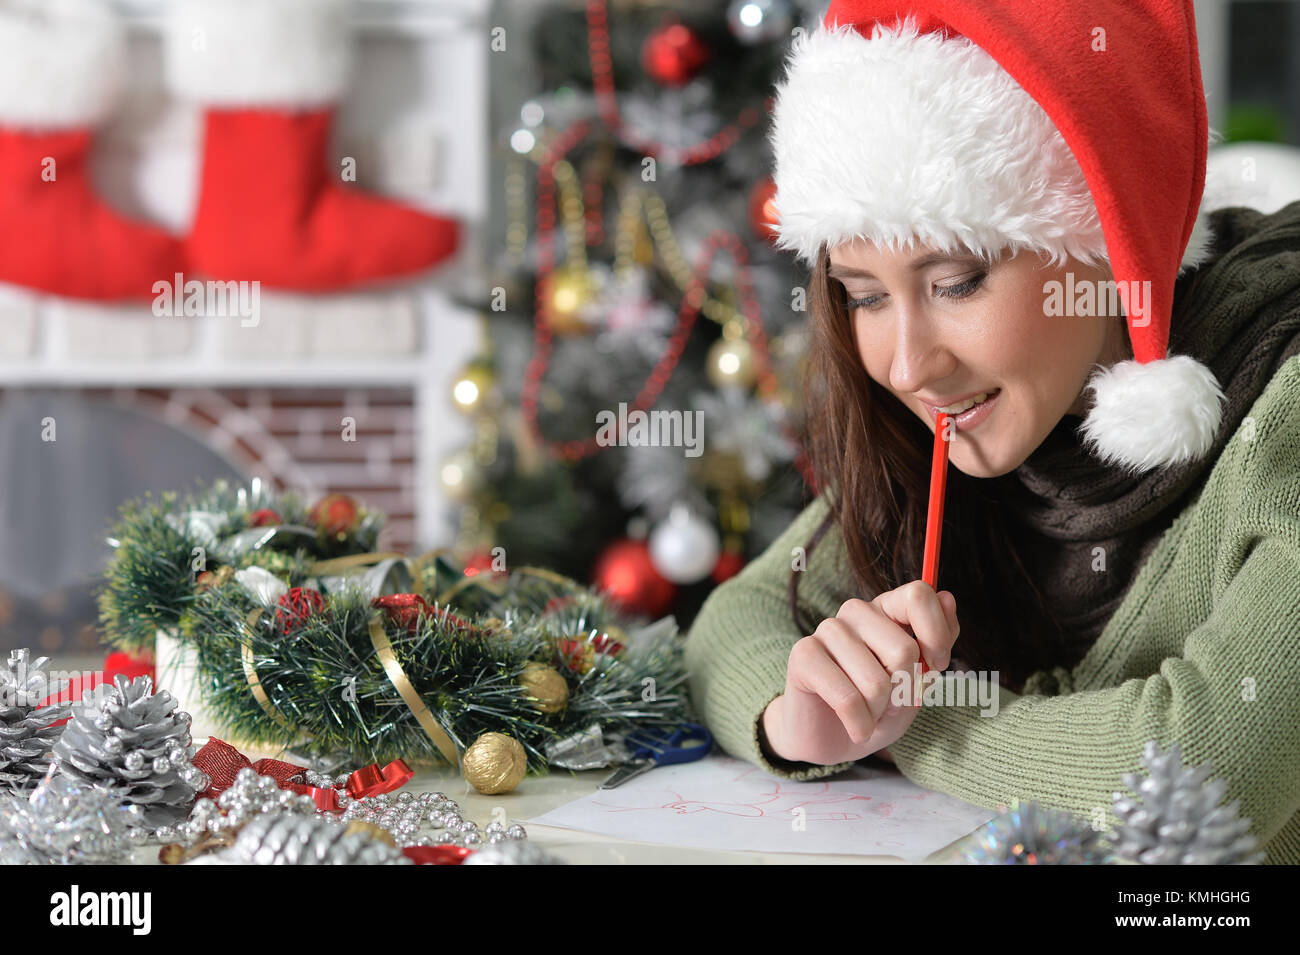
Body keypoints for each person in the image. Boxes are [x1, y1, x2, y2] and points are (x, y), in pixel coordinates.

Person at [684, 1, 1300, 864]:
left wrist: (912, 722)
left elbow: (1199, 775)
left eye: (958, 281)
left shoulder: (1287, 403)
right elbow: (733, 621)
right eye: (864, 295)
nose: (904, 367)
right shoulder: (986, 416)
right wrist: (802, 718)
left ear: (1110, 237)